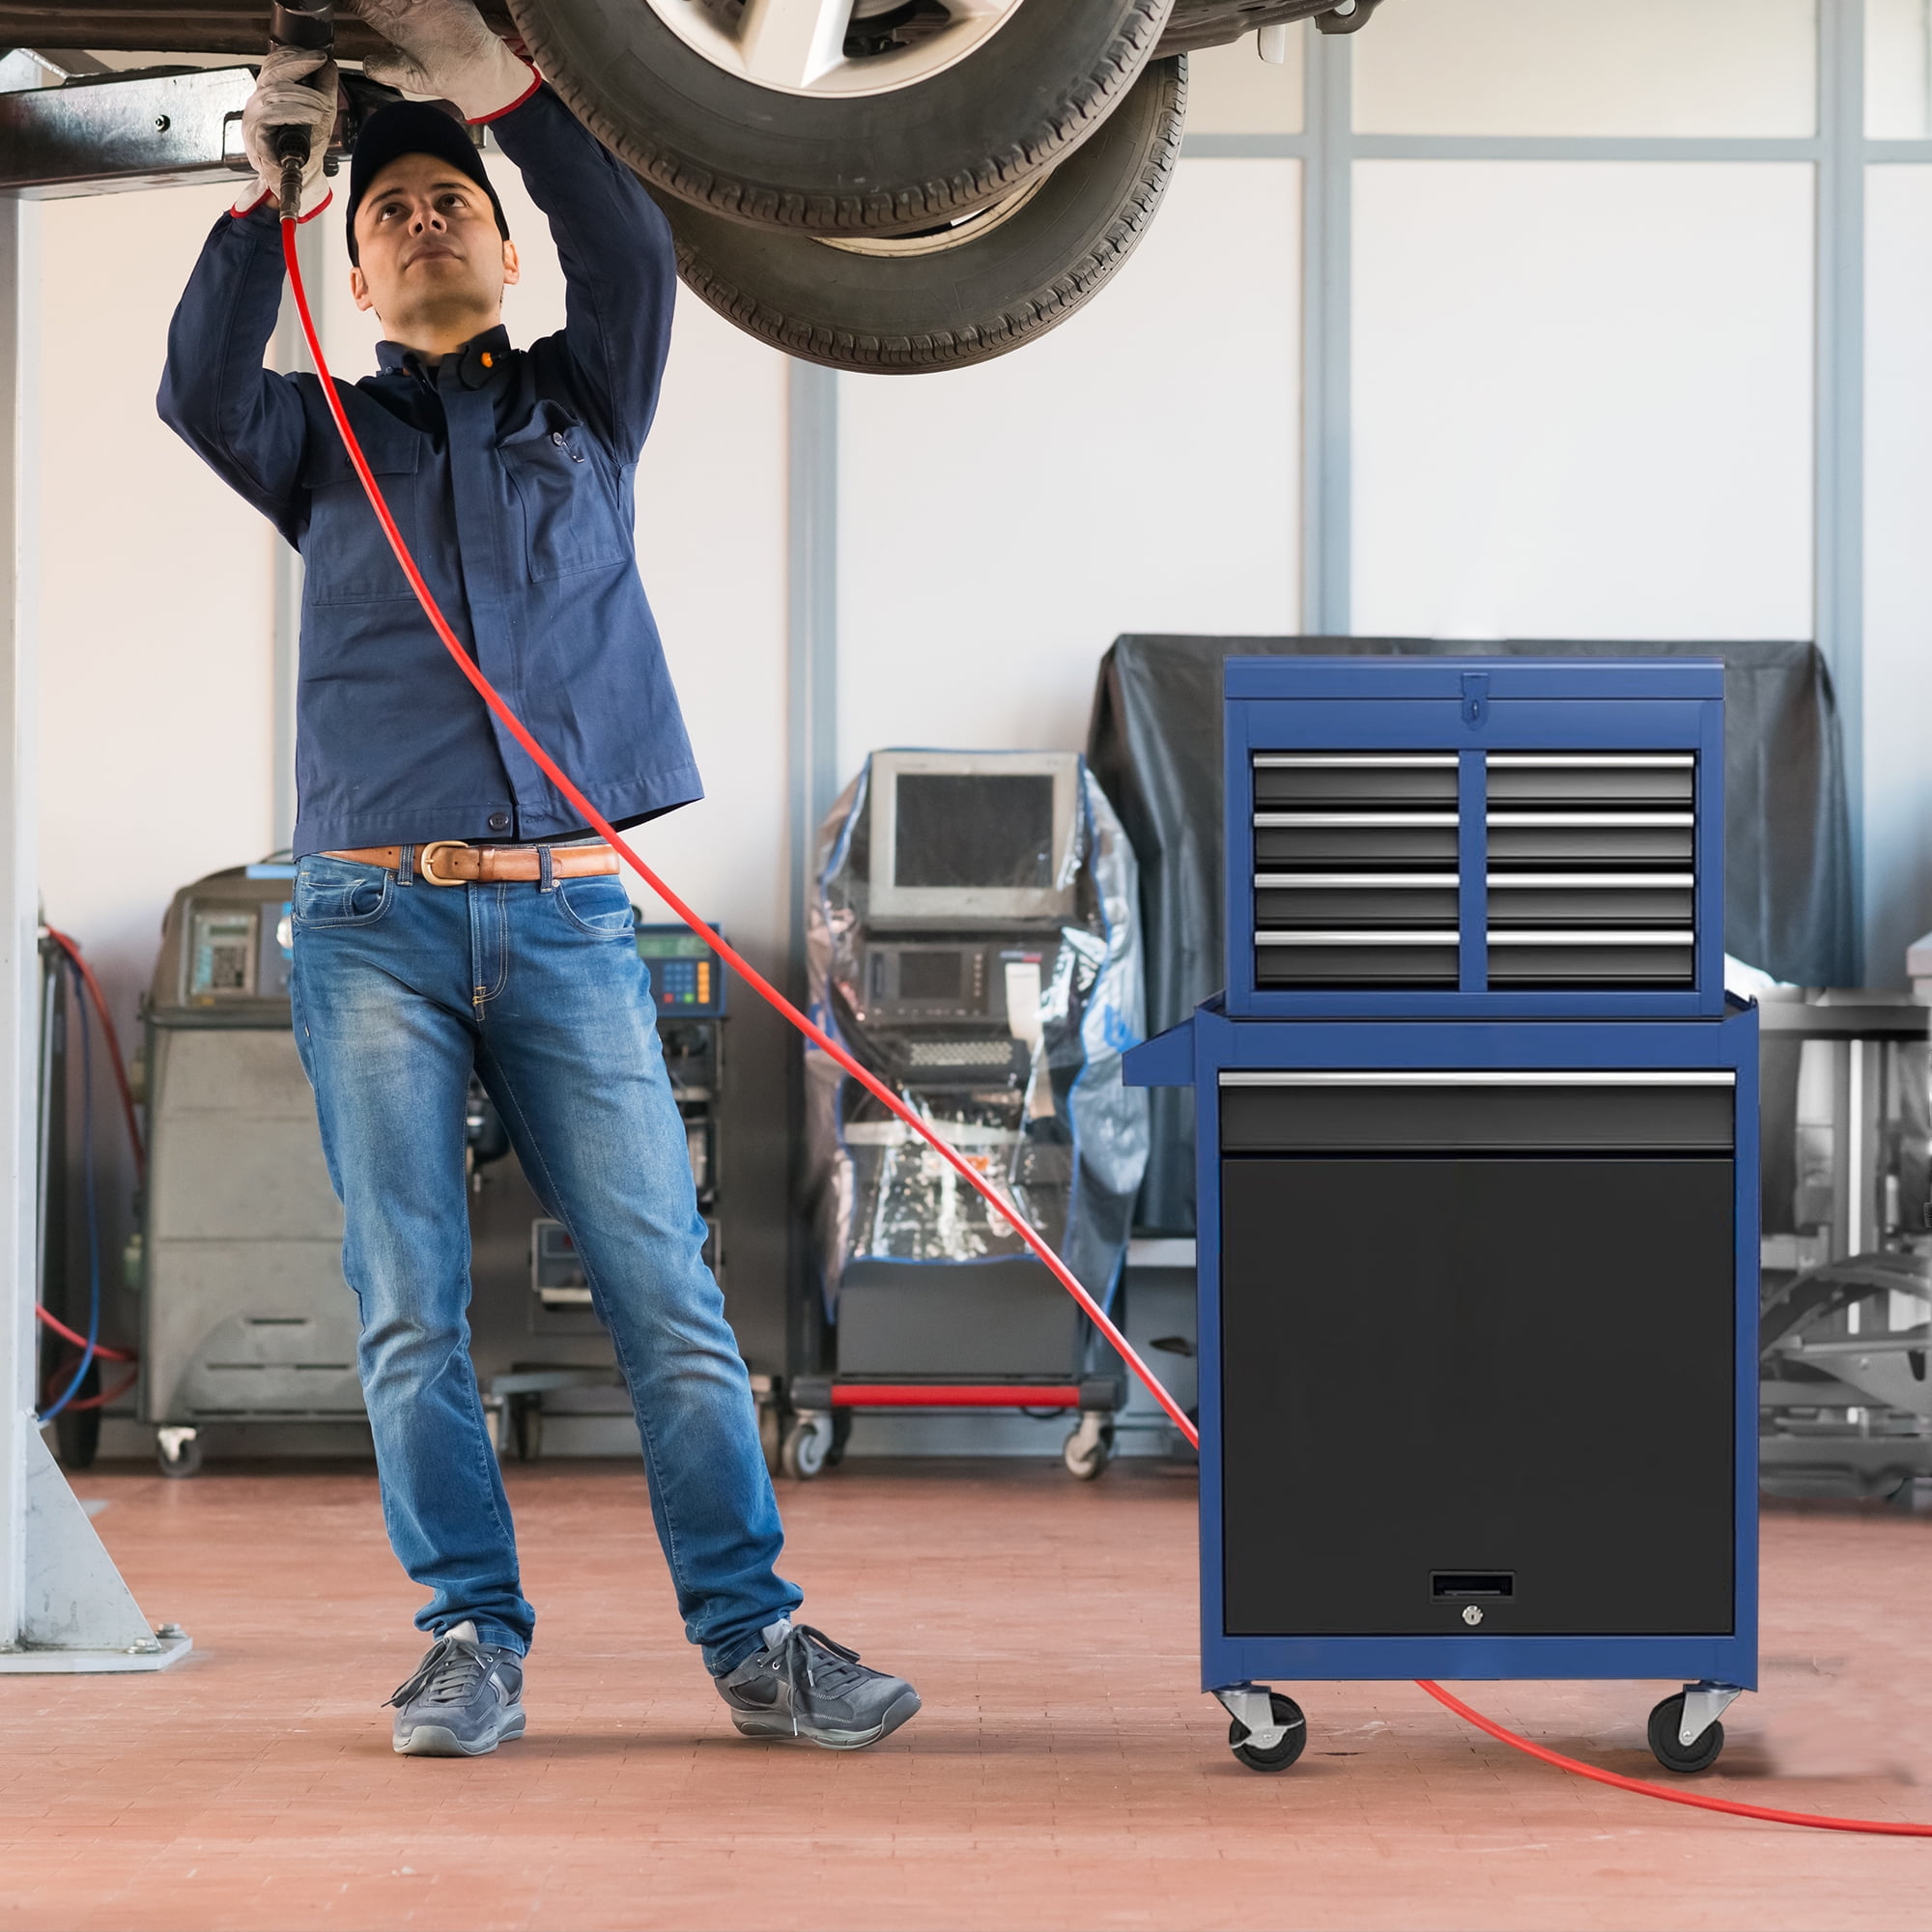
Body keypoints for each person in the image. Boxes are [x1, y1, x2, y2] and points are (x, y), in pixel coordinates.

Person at [156, 0, 918, 1759]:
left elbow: (634, 246)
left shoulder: (589, 401)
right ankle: (469, 1642)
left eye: (454, 205)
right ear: (355, 279)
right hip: (369, 928)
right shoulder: (318, 442)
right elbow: (198, 386)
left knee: (667, 1293)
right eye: (390, 214)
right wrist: (268, 196)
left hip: (570, 917)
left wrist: (496, 91)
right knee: (410, 1308)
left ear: (506, 252)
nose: (424, 219)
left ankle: (756, 1639)